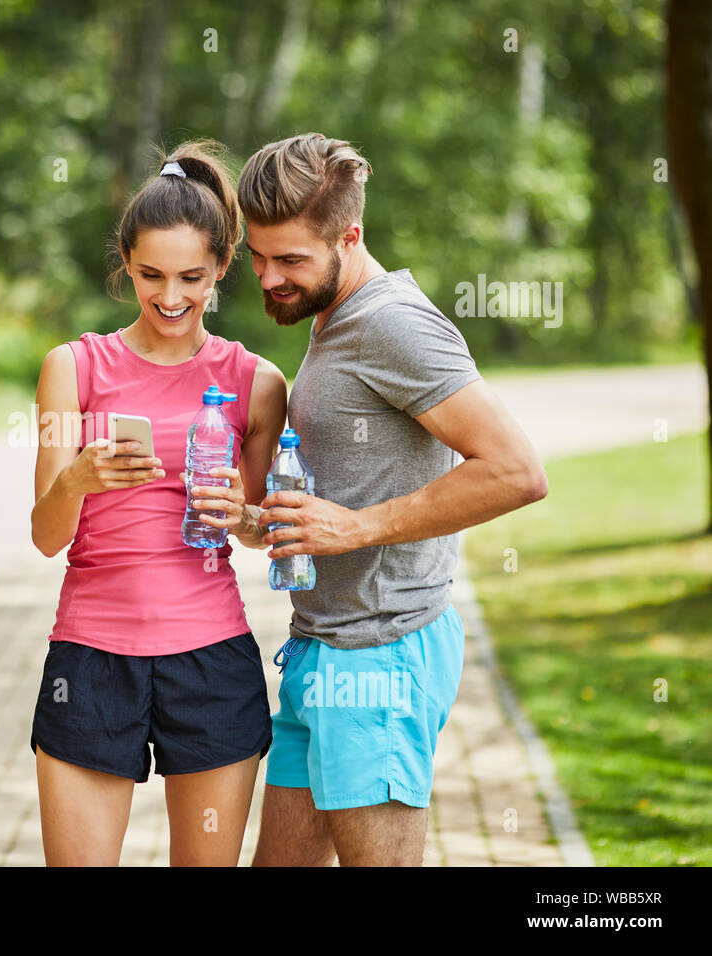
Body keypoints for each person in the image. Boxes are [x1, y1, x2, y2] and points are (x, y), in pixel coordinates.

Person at [226, 132, 548, 866]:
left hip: (380, 656)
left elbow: (516, 470)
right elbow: (342, 492)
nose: (270, 277)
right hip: (321, 647)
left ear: (351, 236)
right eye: (259, 257)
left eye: (291, 260)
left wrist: (358, 528)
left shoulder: (393, 323)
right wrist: (251, 518)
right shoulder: (334, 314)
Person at [29, 140, 287, 866]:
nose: (171, 297)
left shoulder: (256, 381)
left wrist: (239, 515)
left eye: (191, 278)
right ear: (125, 265)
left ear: (221, 269)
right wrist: (77, 480)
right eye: (150, 276)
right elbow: (46, 536)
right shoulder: (71, 367)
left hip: (211, 661)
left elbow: (264, 532)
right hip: (90, 658)